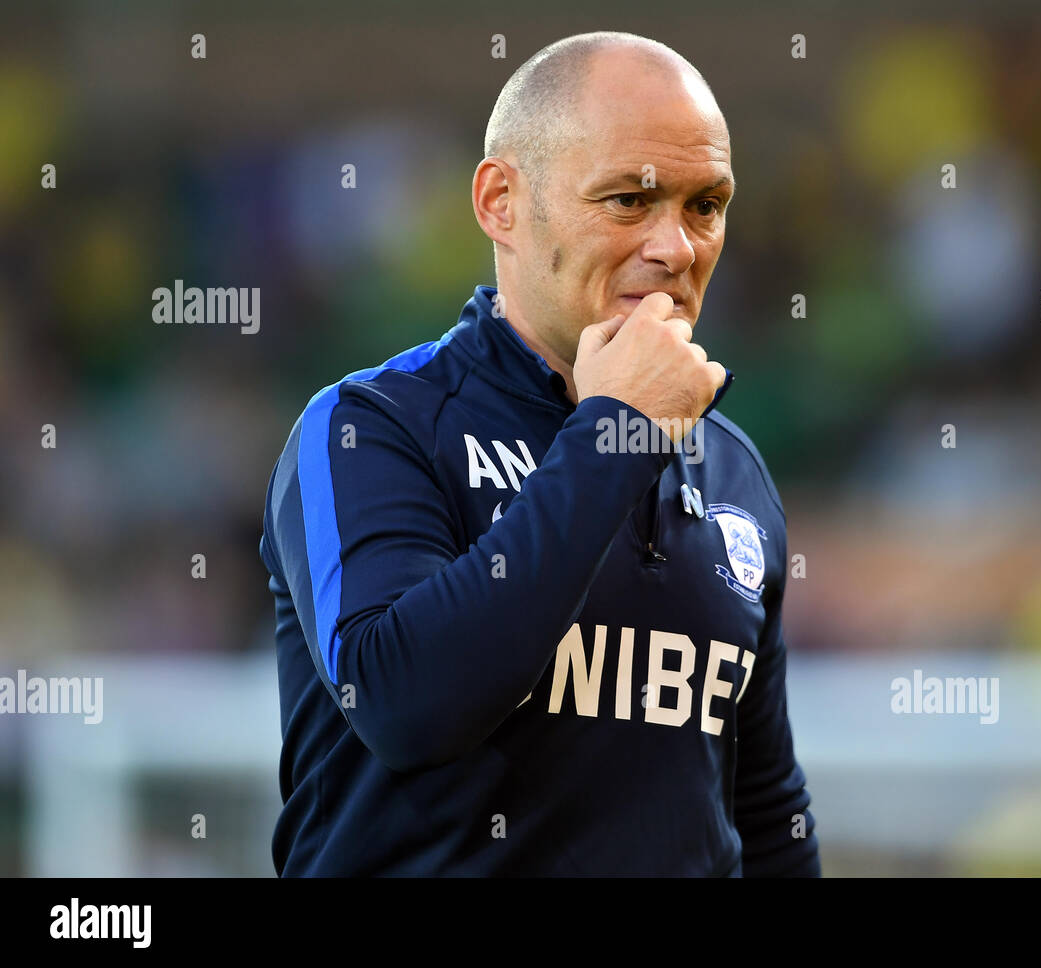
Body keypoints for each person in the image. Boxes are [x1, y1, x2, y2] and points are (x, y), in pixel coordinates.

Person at [260, 30, 820, 875]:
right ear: (501, 202)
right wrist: (617, 433)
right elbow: (401, 703)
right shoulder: (370, 427)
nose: (676, 248)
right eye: (629, 201)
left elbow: (766, 813)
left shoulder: (733, 470)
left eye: (705, 206)